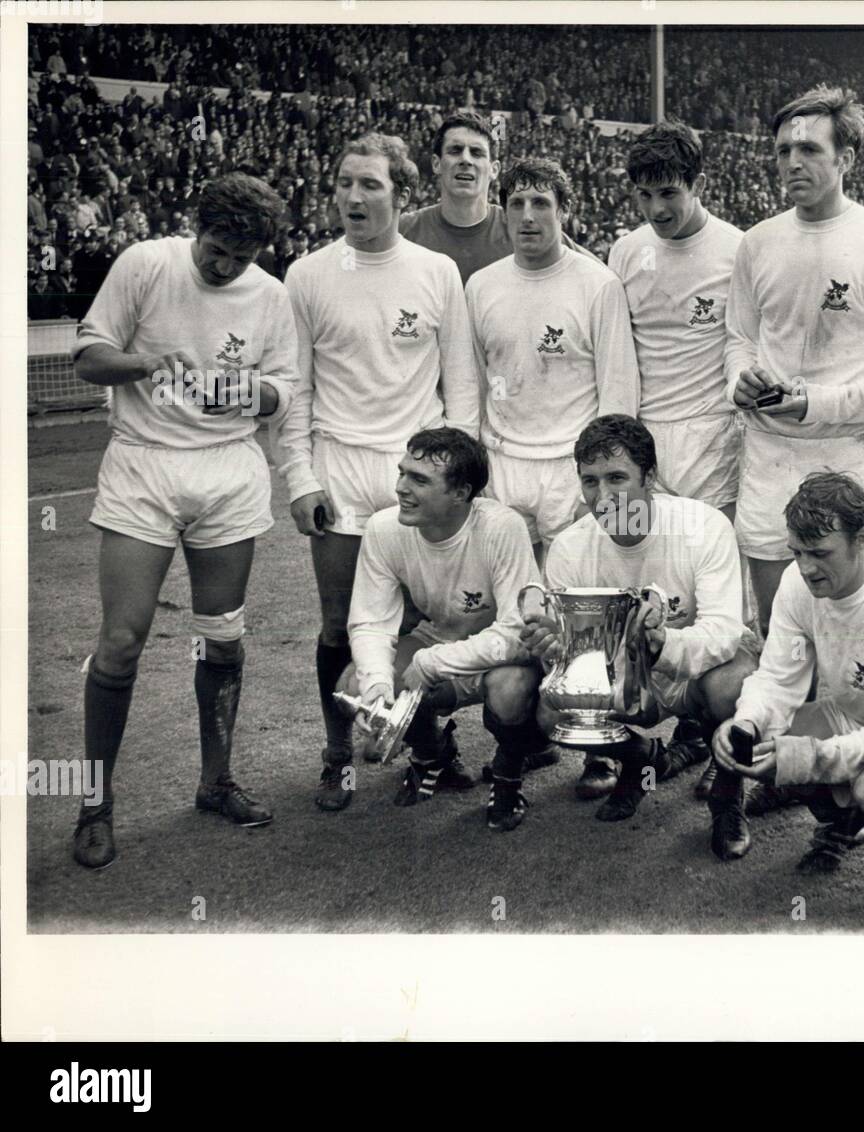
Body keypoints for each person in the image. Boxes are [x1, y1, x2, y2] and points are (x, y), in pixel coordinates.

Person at [70, 172, 298, 869]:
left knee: (222, 639)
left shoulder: (271, 295)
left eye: (242, 254)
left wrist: (247, 389)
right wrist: (146, 363)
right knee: (121, 641)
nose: (225, 265)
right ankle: (94, 804)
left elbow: (285, 392)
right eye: (216, 248)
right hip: (144, 466)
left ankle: (215, 780)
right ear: (193, 225)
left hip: (227, 471)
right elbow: (86, 356)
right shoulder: (146, 262)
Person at [271, 132, 479, 811]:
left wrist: (460, 481)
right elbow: (294, 390)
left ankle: (428, 750)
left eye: (371, 185)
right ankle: (338, 759)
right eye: (344, 183)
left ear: (400, 194)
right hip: (339, 472)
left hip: (415, 473)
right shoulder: (306, 276)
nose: (354, 197)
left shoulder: (436, 272)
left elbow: (464, 388)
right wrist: (299, 479)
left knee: (418, 624)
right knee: (339, 624)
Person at [724, 84, 864, 635]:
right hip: (771, 454)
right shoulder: (757, 242)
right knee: (779, 626)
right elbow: (739, 339)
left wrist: (819, 403)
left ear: (846, 158)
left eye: (810, 151)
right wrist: (740, 378)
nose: (792, 162)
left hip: (852, 453)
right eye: (783, 151)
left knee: (860, 624)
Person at [520, 415, 758, 840]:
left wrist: (662, 642)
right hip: (621, 676)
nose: (604, 496)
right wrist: (553, 648)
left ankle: (727, 796)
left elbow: (724, 631)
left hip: (691, 672)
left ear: (650, 477)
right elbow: (572, 654)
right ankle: (640, 760)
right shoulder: (570, 547)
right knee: (551, 710)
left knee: (735, 683)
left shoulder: (704, 527)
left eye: (617, 478)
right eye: (590, 481)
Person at [607, 119, 746, 790]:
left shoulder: (738, 252)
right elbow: (617, 349)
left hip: (714, 435)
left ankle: (704, 737)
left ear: (698, 184)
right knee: (645, 588)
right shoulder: (625, 253)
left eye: (668, 193)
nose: (657, 210)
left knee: (703, 593)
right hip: (646, 440)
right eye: (643, 196)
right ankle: (632, 736)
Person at [712, 474, 864, 880]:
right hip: (857, 718)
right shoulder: (796, 583)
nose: (806, 568)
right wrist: (746, 722)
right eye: (796, 553)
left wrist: (815, 756)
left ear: (863, 538)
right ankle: (841, 824)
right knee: (768, 738)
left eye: (819, 553)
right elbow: (777, 677)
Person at [340, 428, 552, 827]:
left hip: (499, 658)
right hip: (437, 641)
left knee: (510, 692)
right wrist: (377, 687)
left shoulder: (502, 527)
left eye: (419, 480)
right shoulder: (384, 528)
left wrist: (436, 660)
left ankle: (509, 771)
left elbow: (515, 633)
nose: (401, 488)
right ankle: (435, 754)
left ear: (461, 493)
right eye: (403, 473)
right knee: (357, 684)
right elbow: (370, 621)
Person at [466, 158, 639, 562]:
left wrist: (601, 482)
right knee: (512, 606)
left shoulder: (599, 285)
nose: (528, 216)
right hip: (503, 464)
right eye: (517, 204)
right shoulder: (480, 285)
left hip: (571, 466)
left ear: (564, 210)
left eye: (541, 203)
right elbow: (472, 384)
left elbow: (618, 392)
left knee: (580, 604)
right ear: (504, 212)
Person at [400, 109, 599, 286]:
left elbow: (601, 275)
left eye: (476, 153)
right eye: (455, 150)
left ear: (494, 169)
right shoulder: (404, 230)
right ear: (436, 164)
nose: (465, 160)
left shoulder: (521, 227)